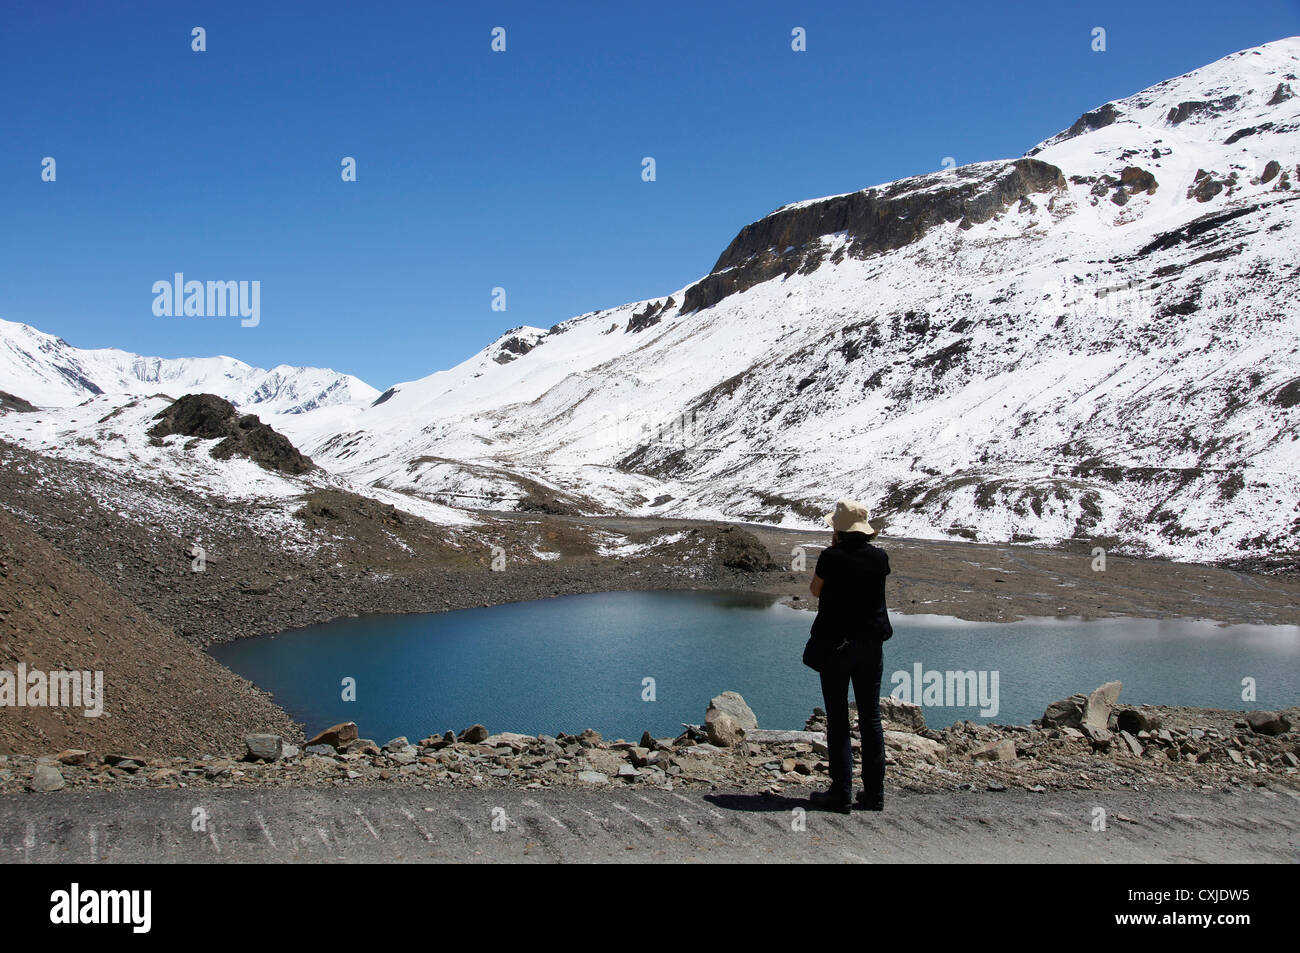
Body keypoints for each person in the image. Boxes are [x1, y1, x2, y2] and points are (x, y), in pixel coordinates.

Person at [804, 499, 892, 814]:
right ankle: (874, 794)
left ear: (838, 531)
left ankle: (841, 792)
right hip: (871, 645)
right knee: (870, 718)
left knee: (838, 719)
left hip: (835, 646)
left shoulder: (830, 557)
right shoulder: (880, 558)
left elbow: (815, 590)